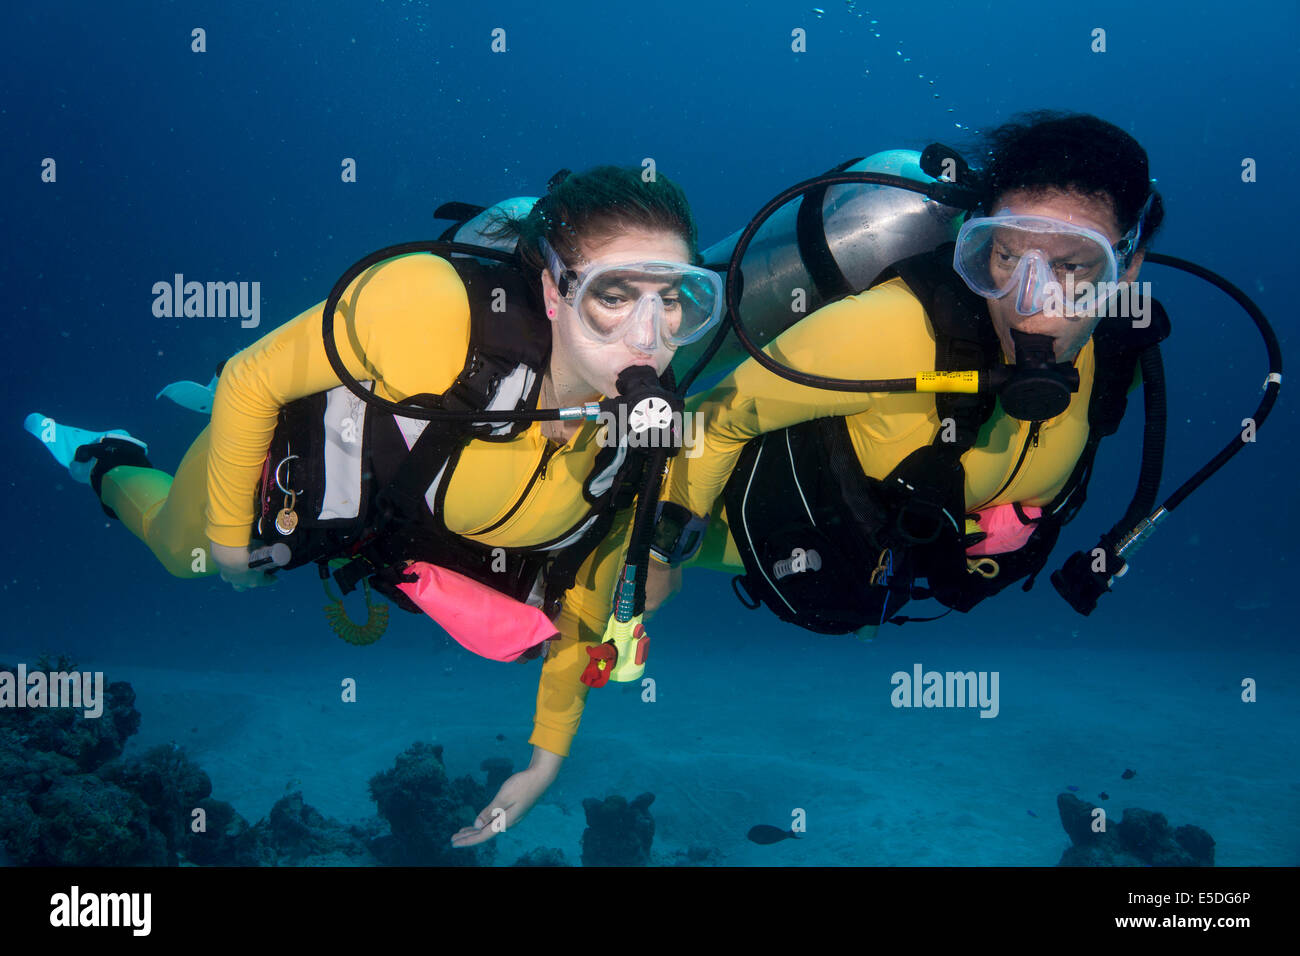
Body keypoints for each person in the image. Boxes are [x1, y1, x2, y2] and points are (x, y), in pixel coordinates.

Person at [26, 165, 723, 846]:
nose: (646, 336)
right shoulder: (429, 310)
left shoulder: (645, 435)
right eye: (613, 294)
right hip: (312, 455)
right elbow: (253, 379)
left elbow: (585, 589)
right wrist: (230, 540)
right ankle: (107, 459)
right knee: (186, 554)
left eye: (673, 300)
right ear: (550, 290)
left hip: (402, 518)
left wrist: (544, 761)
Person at [650, 113, 1169, 635]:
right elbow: (714, 419)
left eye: (1074, 266)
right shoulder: (886, 331)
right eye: (1008, 255)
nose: (1029, 301)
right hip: (714, 530)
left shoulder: (1119, 363)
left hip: (863, 561)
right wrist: (661, 554)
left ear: (1128, 266)